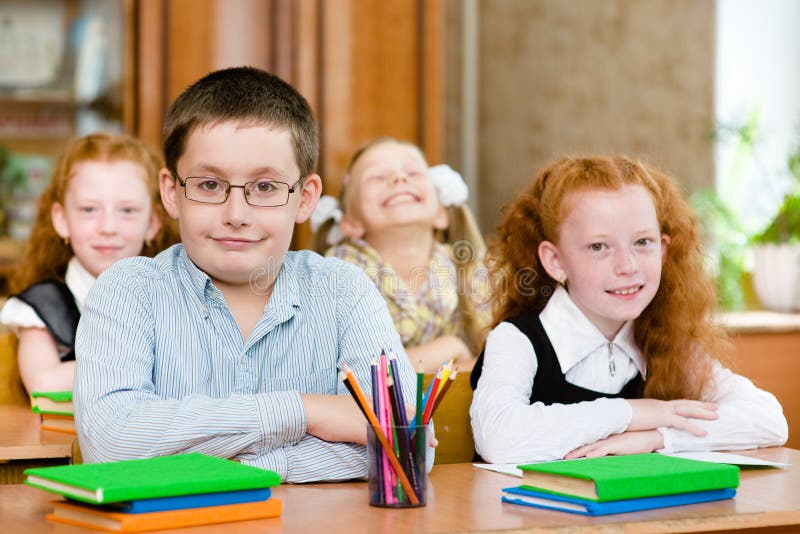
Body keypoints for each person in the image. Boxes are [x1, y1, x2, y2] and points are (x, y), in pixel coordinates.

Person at [73, 67, 422, 482]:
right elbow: (112, 441)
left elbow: (410, 445)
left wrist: (249, 467)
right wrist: (305, 410)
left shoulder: (343, 291)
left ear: (306, 198)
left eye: (265, 188)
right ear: (171, 192)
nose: (235, 216)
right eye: (208, 185)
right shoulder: (128, 290)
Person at [470, 155, 788, 463]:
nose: (627, 265)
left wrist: (657, 437)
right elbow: (499, 439)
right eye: (598, 247)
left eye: (642, 242)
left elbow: (768, 420)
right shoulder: (515, 340)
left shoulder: (666, 341)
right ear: (556, 261)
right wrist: (635, 413)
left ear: (663, 250)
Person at [0, 133, 174, 394]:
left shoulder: (173, 296)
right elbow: (43, 381)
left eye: (127, 210)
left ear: (152, 223)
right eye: (89, 210)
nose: (108, 227)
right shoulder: (43, 305)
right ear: (61, 220)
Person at [312, 137, 491, 373]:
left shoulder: (472, 272)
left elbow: (498, 365)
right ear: (351, 223)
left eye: (414, 172)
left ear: (441, 213)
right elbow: (367, 375)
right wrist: (451, 348)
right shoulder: (337, 277)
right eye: (377, 177)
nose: (400, 178)